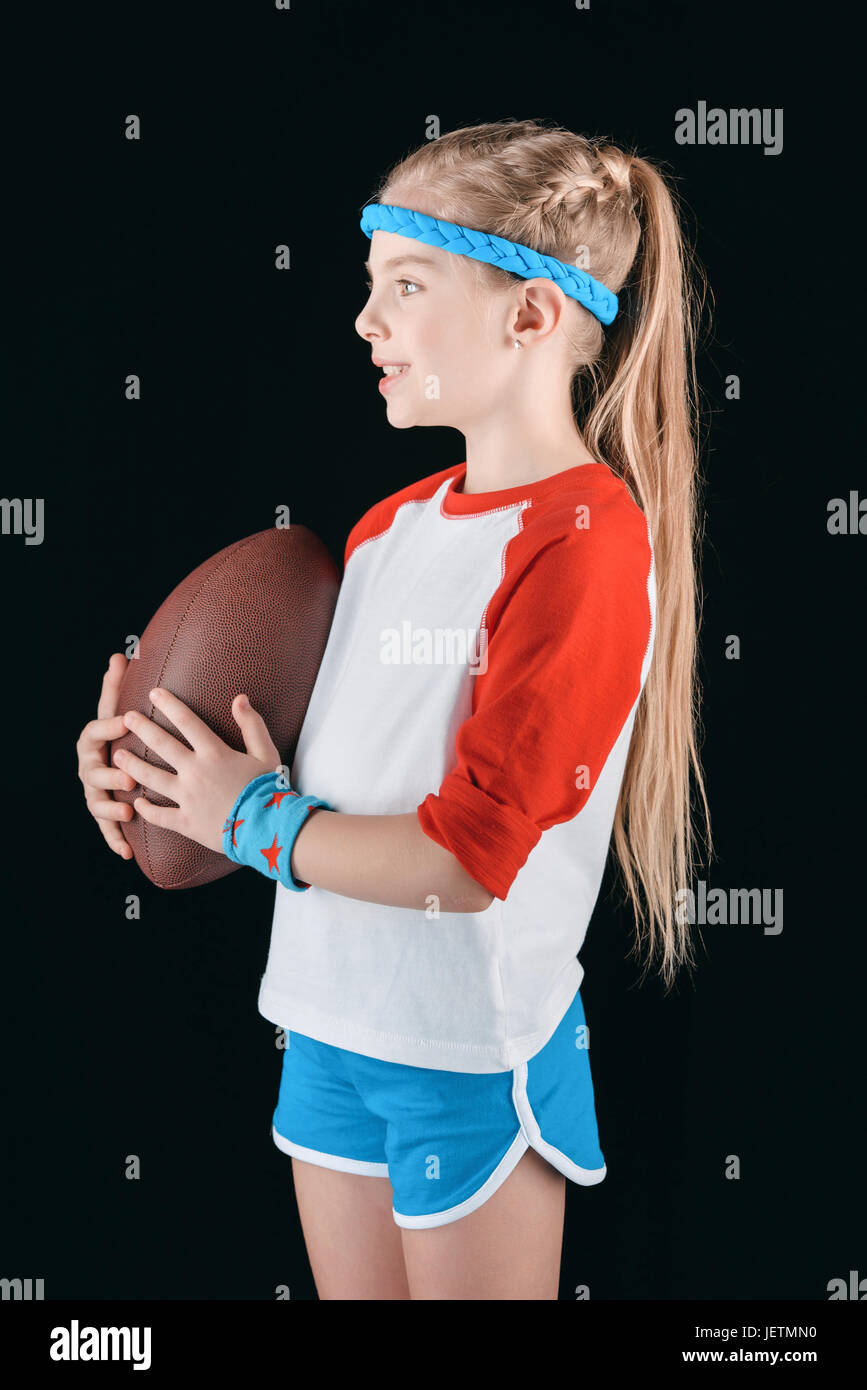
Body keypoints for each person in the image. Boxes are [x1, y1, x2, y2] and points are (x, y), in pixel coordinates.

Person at [75, 118, 713, 1301]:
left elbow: (466, 860)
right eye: (371, 288)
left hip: (462, 1053)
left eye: (406, 285)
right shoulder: (388, 529)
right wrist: (152, 767)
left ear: (531, 316)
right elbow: (320, 779)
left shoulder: (582, 545)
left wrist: (249, 821)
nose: (366, 321)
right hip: (326, 1021)